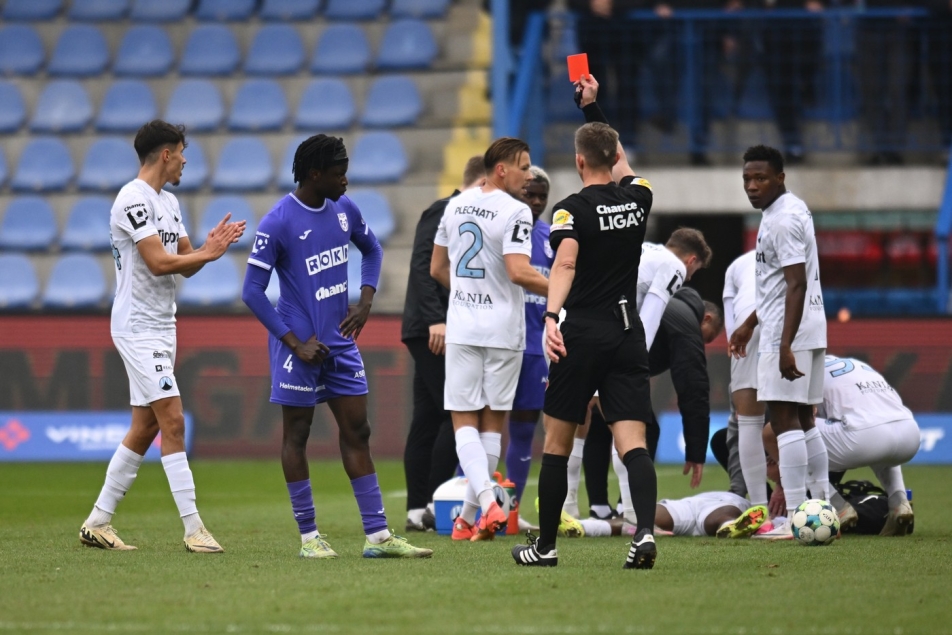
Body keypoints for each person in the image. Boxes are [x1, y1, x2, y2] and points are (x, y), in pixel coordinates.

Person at [242, 135, 432, 559]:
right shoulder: (278, 222)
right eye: (338, 171)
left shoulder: (345, 209)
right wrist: (294, 343)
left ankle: (378, 537)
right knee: (298, 434)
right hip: (300, 347)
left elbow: (373, 249)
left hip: (340, 342)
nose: (346, 179)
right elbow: (252, 292)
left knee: (358, 431)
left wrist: (366, 301)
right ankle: (310, 538)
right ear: (314, 174)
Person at [512, 73, 658, 569]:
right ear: (614, 158)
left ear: (578, 163)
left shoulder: (568, 210)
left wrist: (551, 316)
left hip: (583, 332)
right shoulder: (639, 199)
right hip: (627, 330)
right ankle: (643, 534)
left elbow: (566, 265)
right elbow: (621, 161)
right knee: (632, 441)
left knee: (556, 439)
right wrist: (592, 111)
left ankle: (546, 546)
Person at [80, 120, 246, 553]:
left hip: (162, 323)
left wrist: (208, 249)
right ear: (166, 153)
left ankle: (98, 521)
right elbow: (156, 261)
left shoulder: (169, 202)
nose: (186, 159)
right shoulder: (131, 199)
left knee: (145, 425)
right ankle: (194, 529)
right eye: (181, 150)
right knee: (172, 419)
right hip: (137, 326)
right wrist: (204, 254)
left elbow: (185, 262)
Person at [430, 138, 549, 542]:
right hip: (503, 329)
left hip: (464, 326)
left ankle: (468, 519)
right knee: (493, 423)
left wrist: (466, 293)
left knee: (464, 419)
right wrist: (562, 288)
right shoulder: (516, 211)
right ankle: (487, 500)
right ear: (501, 170)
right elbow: (518, 271)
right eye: (525, 167)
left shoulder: (456, 204)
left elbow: (437, 268)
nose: (530, 176)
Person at [729, 144, 830, 540]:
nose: (752, 187)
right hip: (808, 327)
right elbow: (780, 285)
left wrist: (783, 343)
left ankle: (791, 520)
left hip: (786, 334)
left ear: (780, 178)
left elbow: (795, 283)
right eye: (747, 180)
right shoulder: (793, 209)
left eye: (761, 178)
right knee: (805, 420)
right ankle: (822, 508)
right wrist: (749, 323)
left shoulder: (781, 221)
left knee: (783, 420)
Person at [569, 290, 722, 522]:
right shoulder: (686, 322)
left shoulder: (664, 301)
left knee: (599, 424)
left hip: (591, 343)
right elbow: (693, 388)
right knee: (643, 429)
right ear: (707, 318)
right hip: (616, 366)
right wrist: (696, 449)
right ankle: (627, 509)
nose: (703, 344)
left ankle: (597, 507)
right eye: (707, 338)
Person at [401, 156, 486, 533]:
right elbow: (423, 265)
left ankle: (417, 507)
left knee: (428, 419)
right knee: (458, 414)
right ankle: (436, 502)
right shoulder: (445, 210)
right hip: (434, 327)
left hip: (438, 325)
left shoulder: (460, 212)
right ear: (482, 182)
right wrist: (437, 318)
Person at [762, 355, 919, 536]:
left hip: (863, 438)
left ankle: (837, 506)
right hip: (910, 433)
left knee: (773, 433)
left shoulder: (797, 368)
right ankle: (898, 500)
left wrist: (782, 486)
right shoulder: (853, 364)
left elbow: (803, 418)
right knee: (879, 431)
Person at [506, 165, 554, 522]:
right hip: (499, 341)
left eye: (542, 197)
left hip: (535, 348)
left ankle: (509, 511)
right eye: (529, 194)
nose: (536, 202)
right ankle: (465, 507)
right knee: (481, 425)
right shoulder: (501, 229)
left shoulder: (552, 238)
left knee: (524, 428)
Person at [723, 250, 769, 509]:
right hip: (798, 326)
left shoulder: (736, 265)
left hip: (749, 328)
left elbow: (731, 316)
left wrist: (736, 345)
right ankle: (823, 501)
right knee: (798, 420)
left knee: (745, 421)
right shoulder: (803, 251)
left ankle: (757, 507)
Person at [575, 492, 768, 540]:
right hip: (687, 504)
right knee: (640, 518)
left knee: (722, 515)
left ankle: (731, 525)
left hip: (728, 504)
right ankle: (580, 526)